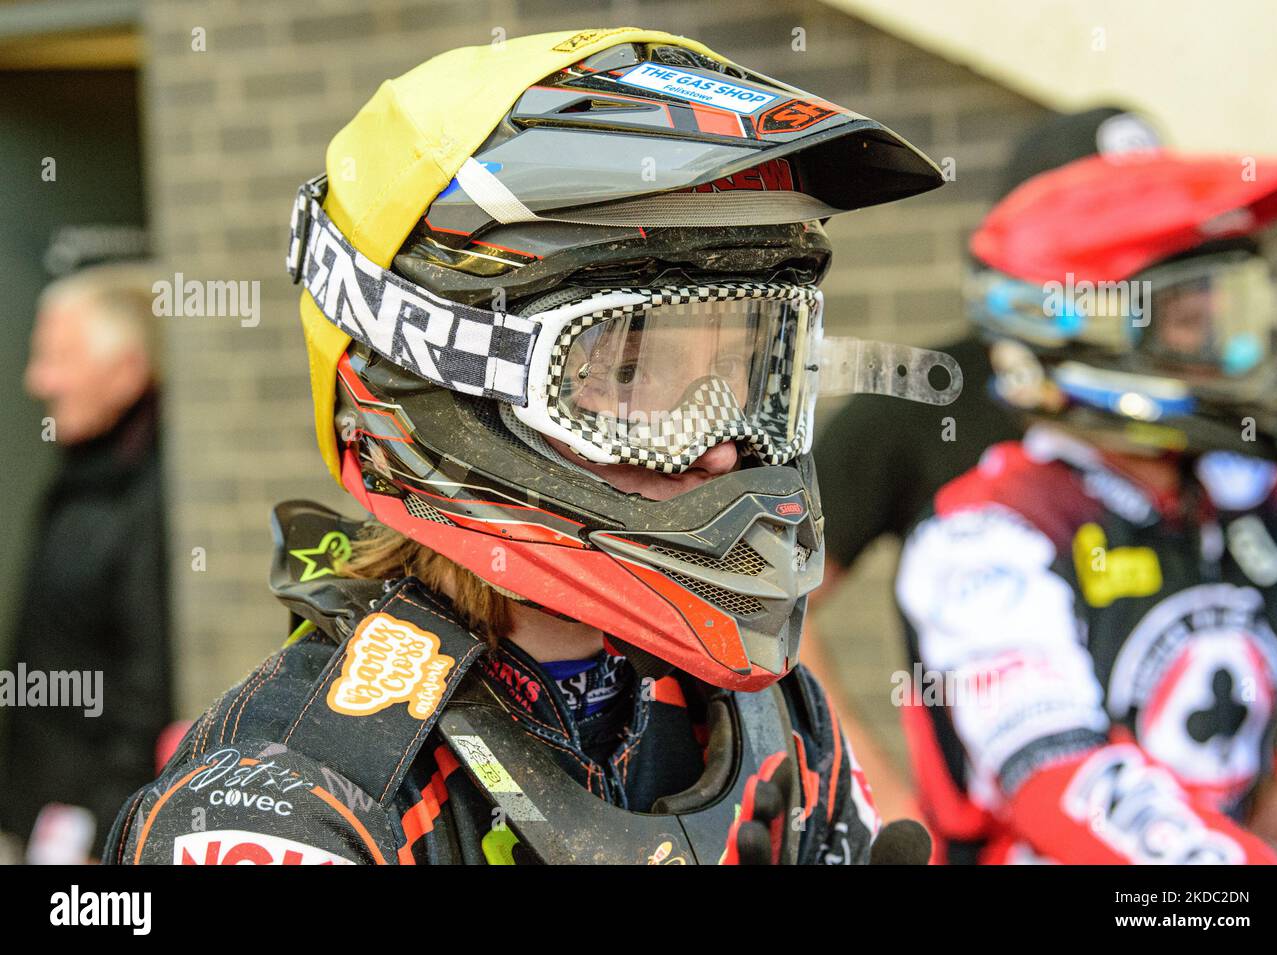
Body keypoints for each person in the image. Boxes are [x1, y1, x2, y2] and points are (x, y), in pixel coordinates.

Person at [102, 28, 957, 866]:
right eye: (632, 367)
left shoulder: (756, 719)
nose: (723, 447)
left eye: (741, 368)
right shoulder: (287, 802)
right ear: (446, 367)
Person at [893, 148, 1277, 863]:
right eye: (1189, 321)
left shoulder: (1253, 488)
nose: (1233, 351)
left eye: (1231, 309)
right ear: (1090, 331)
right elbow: (1065, 785)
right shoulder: (987, 532)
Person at [807, 107, 1162, 820]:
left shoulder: (1199, 403)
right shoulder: (925, 396)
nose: (1129, 257)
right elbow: (774, 608)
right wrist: (884, 806)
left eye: (1150, 225)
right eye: (1097, 224)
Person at [0, 263, 173, 862]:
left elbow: (148, 682)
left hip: (96, 836)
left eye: (57, 358)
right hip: (44, 815)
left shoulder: (155, 494)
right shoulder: (82, 474)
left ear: (126, 368)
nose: (36, 381)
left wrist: (104, 833)